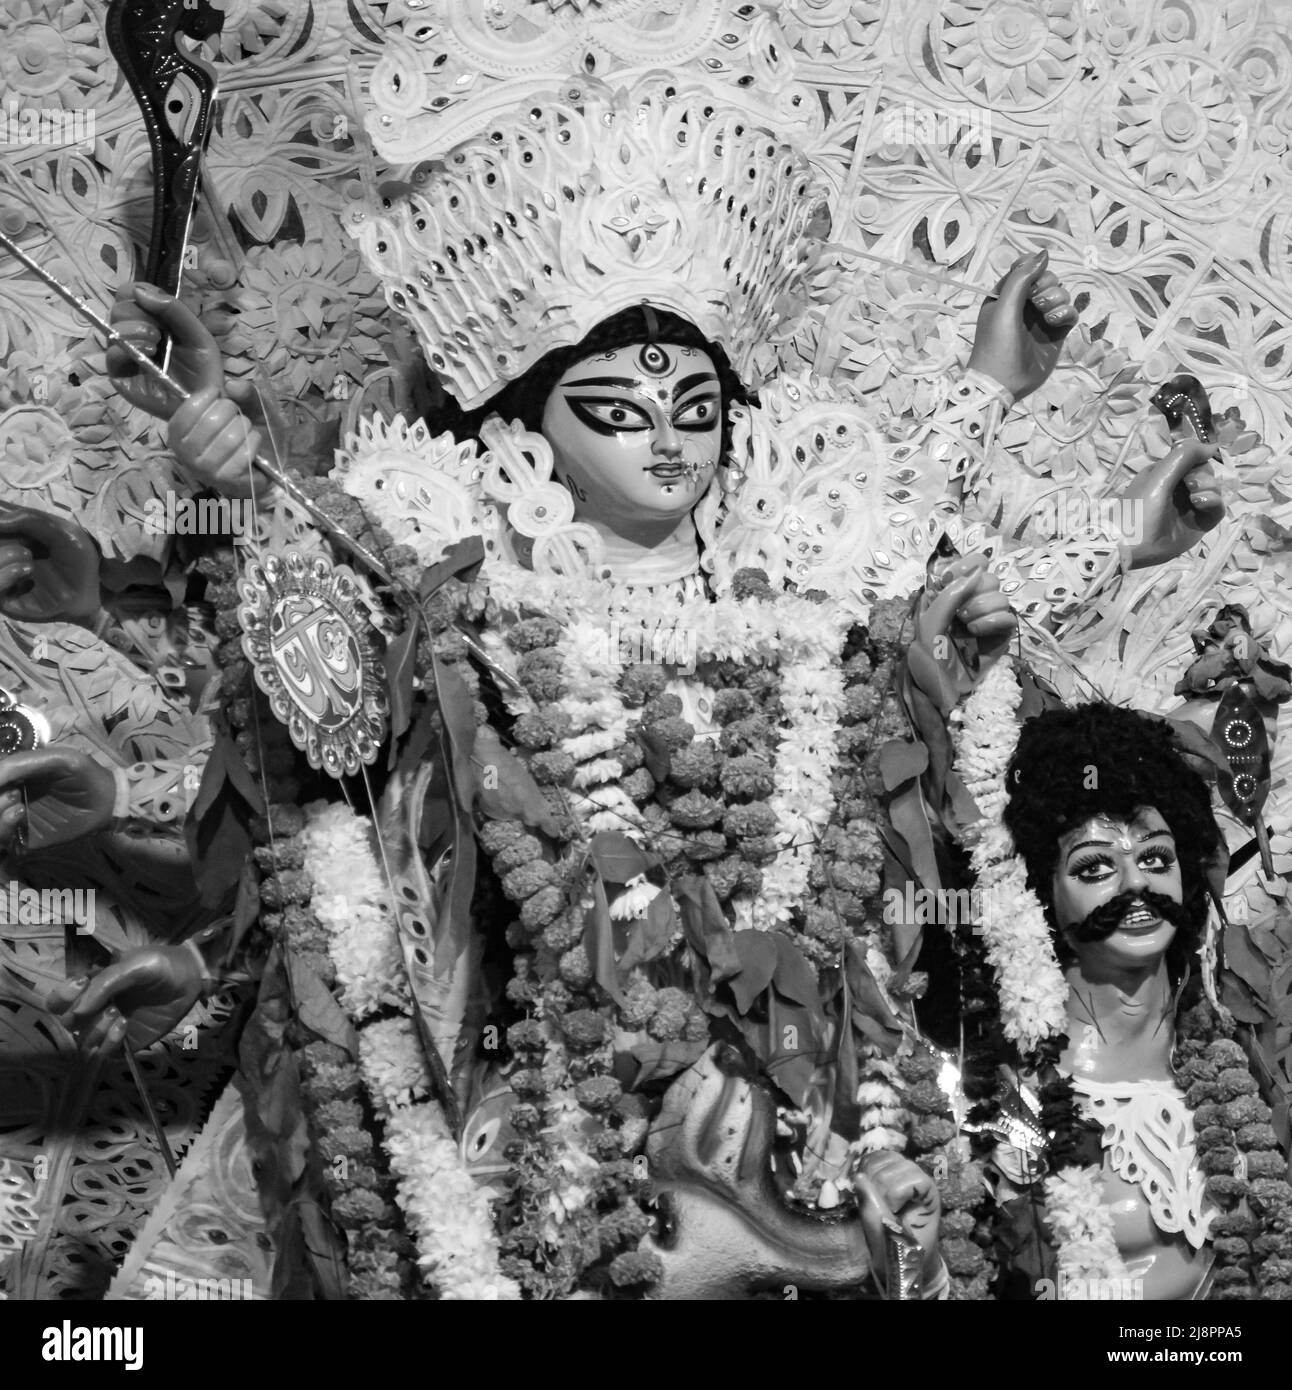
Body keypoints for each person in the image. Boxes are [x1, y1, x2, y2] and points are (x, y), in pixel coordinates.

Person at [92, 76, 1232, 1299]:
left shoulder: (804, 558)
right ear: (530, 418)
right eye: (617, 410)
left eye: (694, 407)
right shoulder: (462, 571)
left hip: (823, 1074)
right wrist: (234, 485)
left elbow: (946, 616)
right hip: (564, 1088)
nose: (665, 440)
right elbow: (323, 715)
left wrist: (1079, 489)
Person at [963, 701, 1290, 1299]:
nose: (1136, 884)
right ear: (1042, 893)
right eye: (1095, 868)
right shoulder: (1015, 1092)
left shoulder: (1237, 1054)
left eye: (1155, 858)